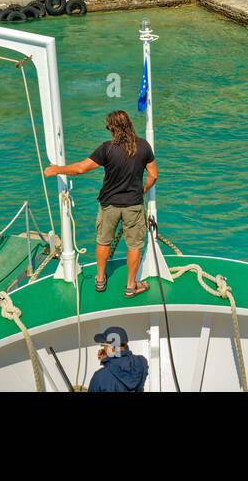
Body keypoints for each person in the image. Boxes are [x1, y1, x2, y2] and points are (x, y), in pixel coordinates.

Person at [43, 110, 158, 299]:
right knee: (134, 245)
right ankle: (131, 286)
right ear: (129, 125)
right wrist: (143, 190)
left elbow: (80, 168)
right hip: (133, 205)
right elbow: (153, 175)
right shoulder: (144, 147)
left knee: (103, 241)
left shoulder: (107, 149)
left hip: (109, 205)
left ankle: (100, 279)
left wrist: (57, 169)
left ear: (112, 129)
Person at [87, 325, 149, 393]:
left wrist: (107, 361)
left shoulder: (99, 376)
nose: (103, 349)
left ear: (112, 348)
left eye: (104, 346)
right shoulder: (141, 365)